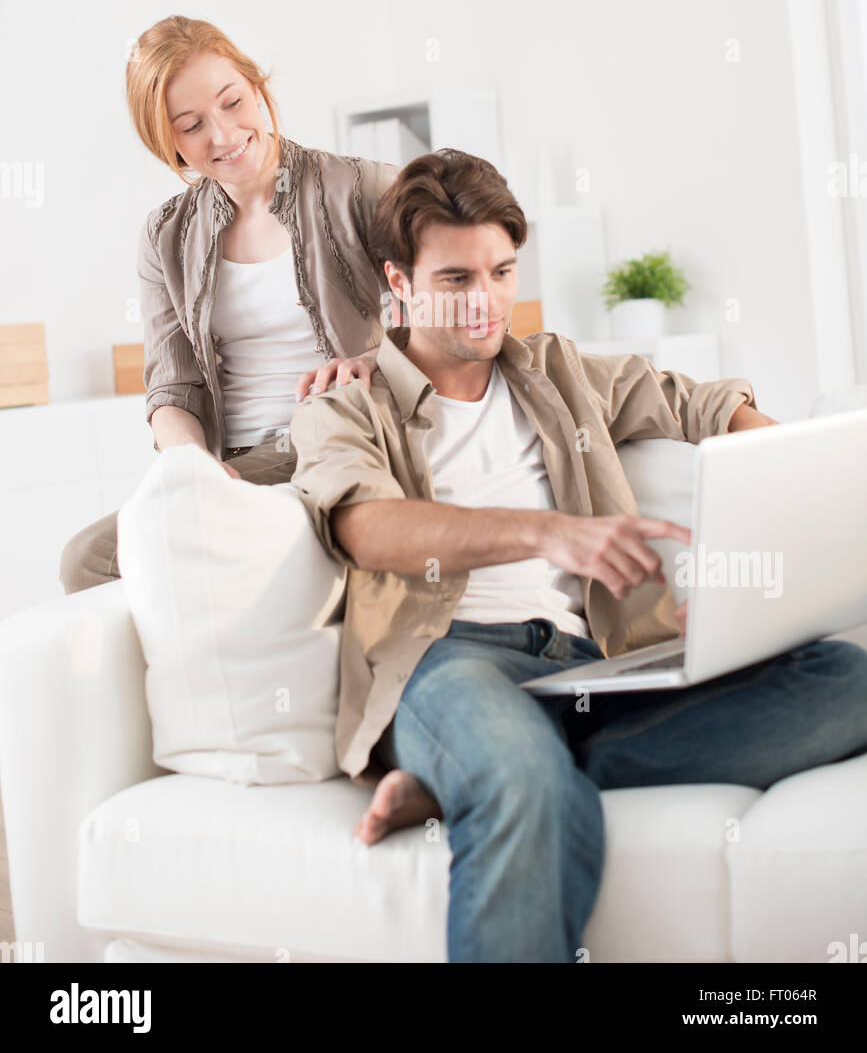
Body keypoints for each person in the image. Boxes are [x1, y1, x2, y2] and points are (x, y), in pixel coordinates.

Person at [287, 146, 867, 963]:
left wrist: (784, 498)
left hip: (591, 666)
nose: (485, 303)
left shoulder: (555, 371)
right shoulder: (346, 406)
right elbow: (367, 526)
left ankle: (472, 776)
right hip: (445, 663)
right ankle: (496, 769)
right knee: (522, 780)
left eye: (500, 272)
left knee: (845, 681)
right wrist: (547, 532)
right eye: (455, 280)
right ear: (398, 283)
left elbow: (697, 403)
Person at [59, 12, 401, 591]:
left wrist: (378, 360)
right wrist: (193, 467)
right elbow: (173, 386)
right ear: (166, 141)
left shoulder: (363, 188)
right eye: (191, 124)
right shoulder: (166, 236)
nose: (223, 135)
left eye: (233, 102)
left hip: (337, 439)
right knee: (90, 562)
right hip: (232, 466)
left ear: (258, 88)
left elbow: (449, 320)